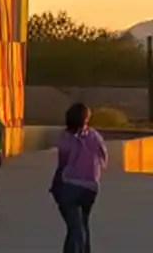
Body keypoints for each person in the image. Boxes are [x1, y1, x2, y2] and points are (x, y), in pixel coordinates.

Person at [51, 103, 108, 253]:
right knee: (82, 224)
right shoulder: (95, 136)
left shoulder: (66, 138)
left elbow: (62, 164)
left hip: (71, 186)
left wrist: (56, 186)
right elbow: (104, 158)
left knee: (75, 228)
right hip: (91, 187)